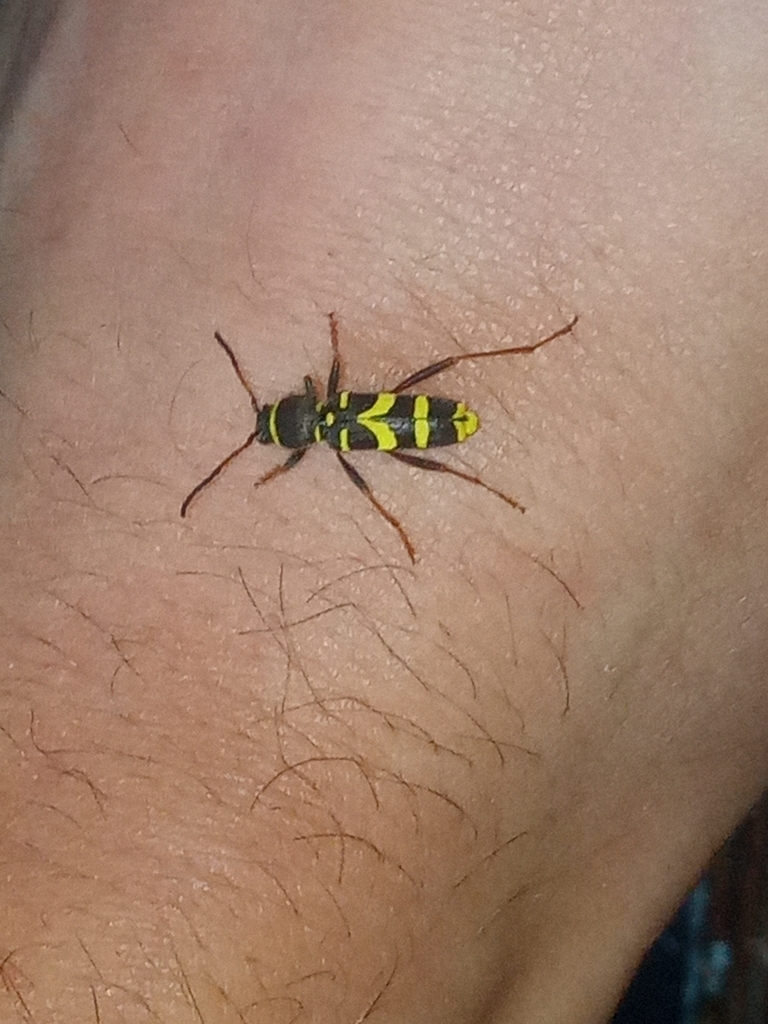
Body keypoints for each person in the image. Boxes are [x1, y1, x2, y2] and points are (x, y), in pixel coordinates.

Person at [1, 2, 766, 1020]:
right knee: (422, 436)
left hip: (422, 423)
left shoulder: (326, 429)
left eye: (278, 423)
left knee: (428, 408)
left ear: (302, 415)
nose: (284, 423)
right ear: (308, 416)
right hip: (416, 428)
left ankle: (517, 379)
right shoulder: (331, 424)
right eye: (278, 427)